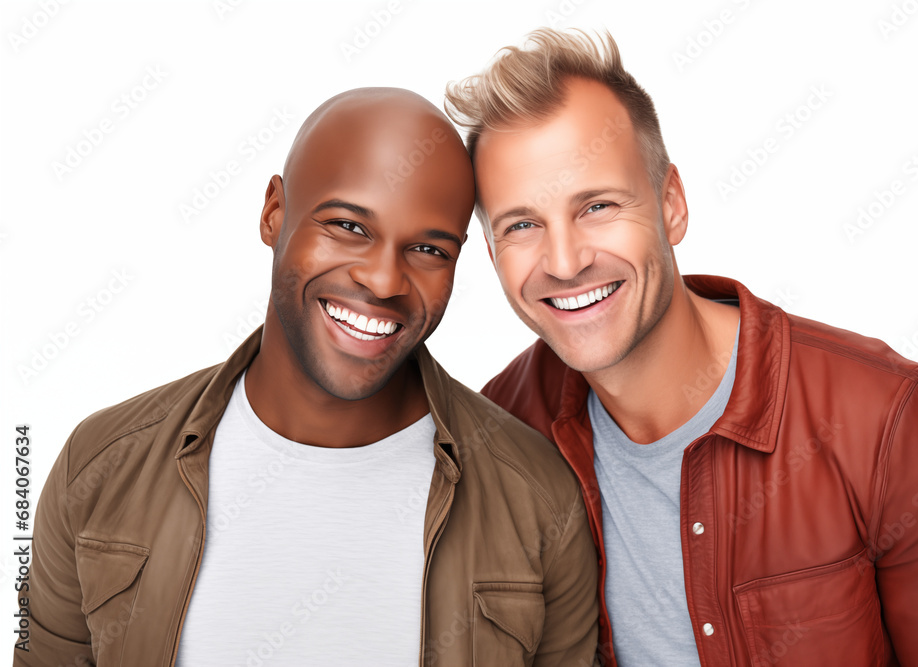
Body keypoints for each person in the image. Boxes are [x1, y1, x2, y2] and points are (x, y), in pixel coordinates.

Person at [445, 28, 918, 667]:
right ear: (490, 253)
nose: (565, 262)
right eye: (522, 225)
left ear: (671, 204)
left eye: (596, 206)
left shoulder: (893, 423)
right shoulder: (497, 440)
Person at [15, 88, 598, 667]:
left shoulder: (540, 499)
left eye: (427, 248)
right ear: (274, 212)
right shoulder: (98, 466)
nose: (384, 280)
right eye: (348, 226)